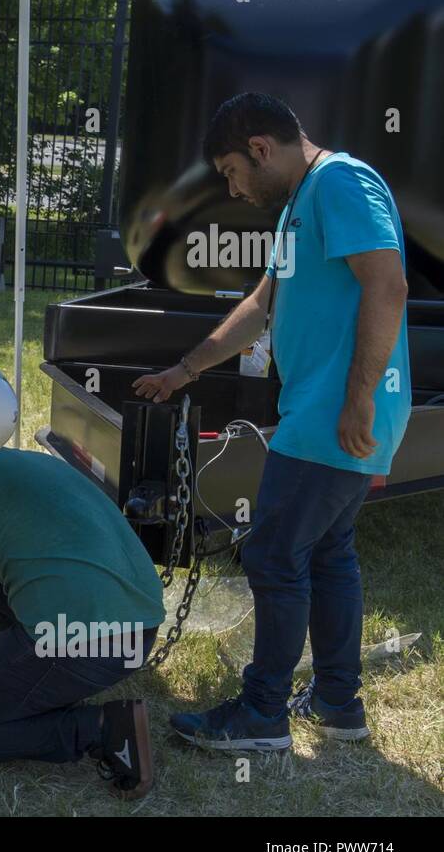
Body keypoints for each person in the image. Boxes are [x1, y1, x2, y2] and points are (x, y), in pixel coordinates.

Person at [134, 93, 411, 748]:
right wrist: (185, 370)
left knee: (274, 554)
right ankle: (340, 706)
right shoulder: (300, 206)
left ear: (260, 148)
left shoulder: (341, 181)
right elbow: (261, 308)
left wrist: (359, 397)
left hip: (333, 411)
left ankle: (262, 716)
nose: (234, 187)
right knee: (326, 554)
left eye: (232, 171)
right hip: (325, 409)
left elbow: (388, 284)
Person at [0, 448, 167, 799]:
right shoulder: (34, 461)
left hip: (79, 638)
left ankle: (101, 728)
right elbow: (19, 613)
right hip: (136, 632)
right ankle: (44, 687)